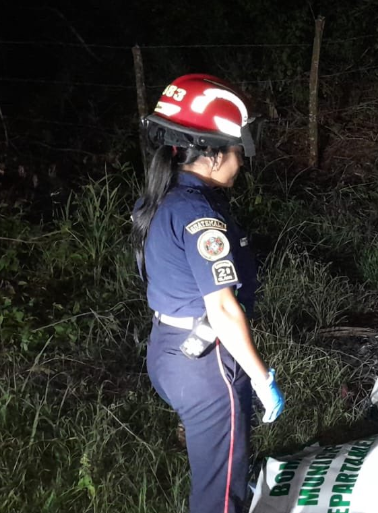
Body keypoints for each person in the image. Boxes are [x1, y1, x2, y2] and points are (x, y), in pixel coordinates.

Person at [130, 74, 285, 513]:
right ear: (214, 156)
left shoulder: (162, 196)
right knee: (219, 494)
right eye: (238, 152)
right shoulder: (201, 216)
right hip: (206, 367)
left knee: (213, 462)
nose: (241, 162)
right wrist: (260, 378)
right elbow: (221, 308)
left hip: (167, 349)